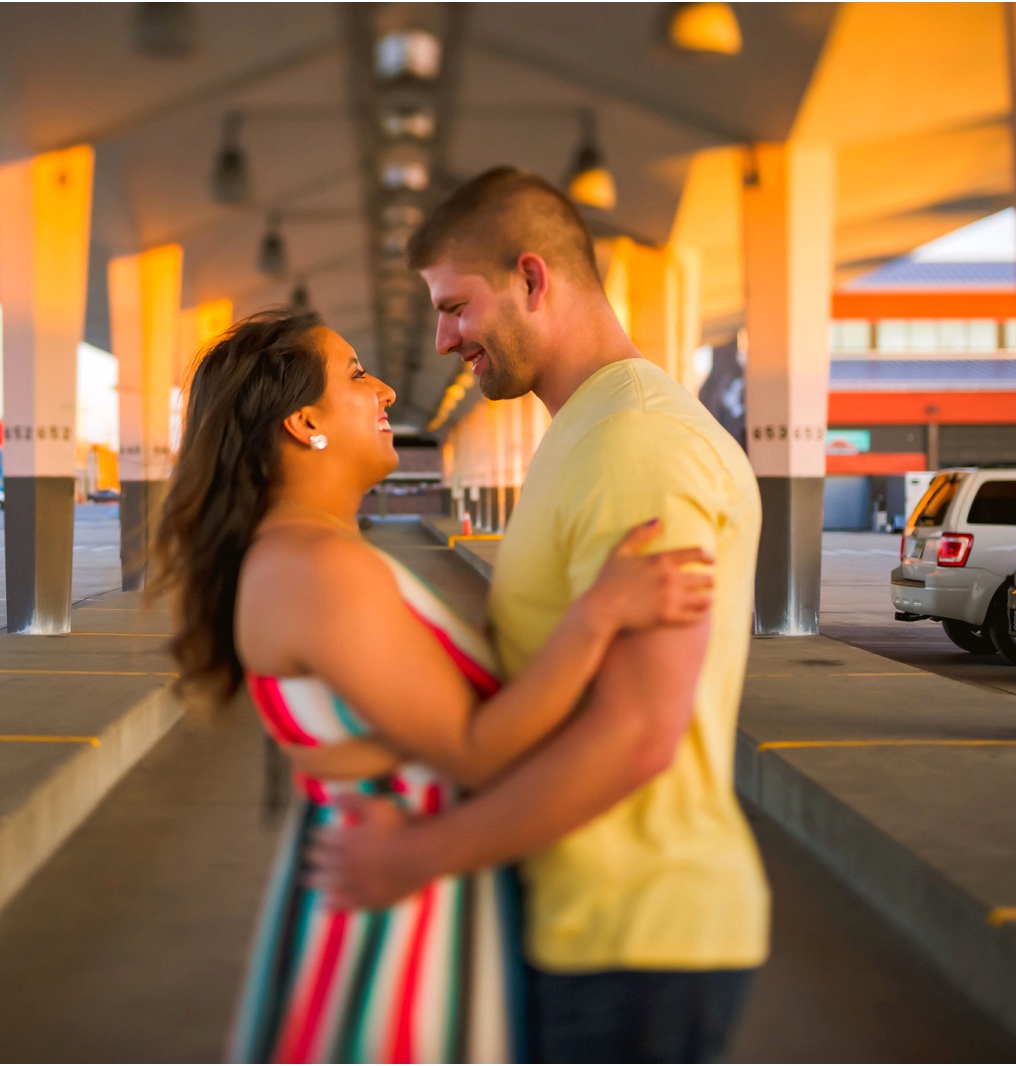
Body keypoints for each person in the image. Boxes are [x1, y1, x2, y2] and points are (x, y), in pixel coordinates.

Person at [151, 309, 716, 1063]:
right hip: (391, 923)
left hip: (396, 889)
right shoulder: (319, 568)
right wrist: (599, 611)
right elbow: (477, 751)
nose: (385, 389)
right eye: (355, 374)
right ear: (304, 423)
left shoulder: (309, 554)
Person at [307, 168, 770, 1064]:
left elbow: (639, 732)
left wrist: (419, 855)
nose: (441, 340)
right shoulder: (587, 434)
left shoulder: (636, 444)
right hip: (593, 924)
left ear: (532, 277)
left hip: (639, 939)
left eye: (455, 307)